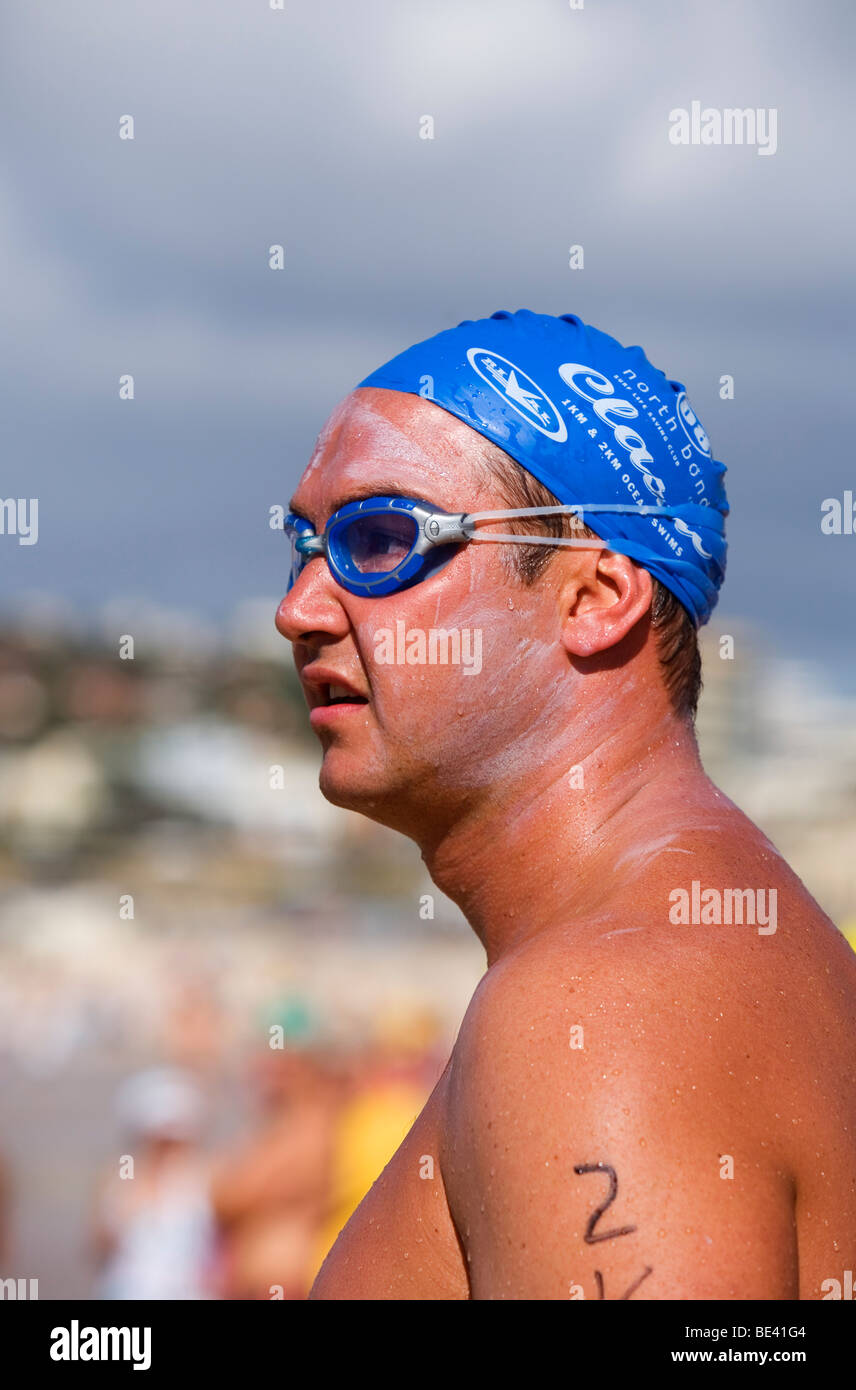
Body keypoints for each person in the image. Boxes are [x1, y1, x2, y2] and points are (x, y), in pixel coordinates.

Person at [275, 309, 856, 1299]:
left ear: (593, 597)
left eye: (380, 539)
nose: (300, 607)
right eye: (304, 543)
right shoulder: (730, 949)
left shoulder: (604, 1006)